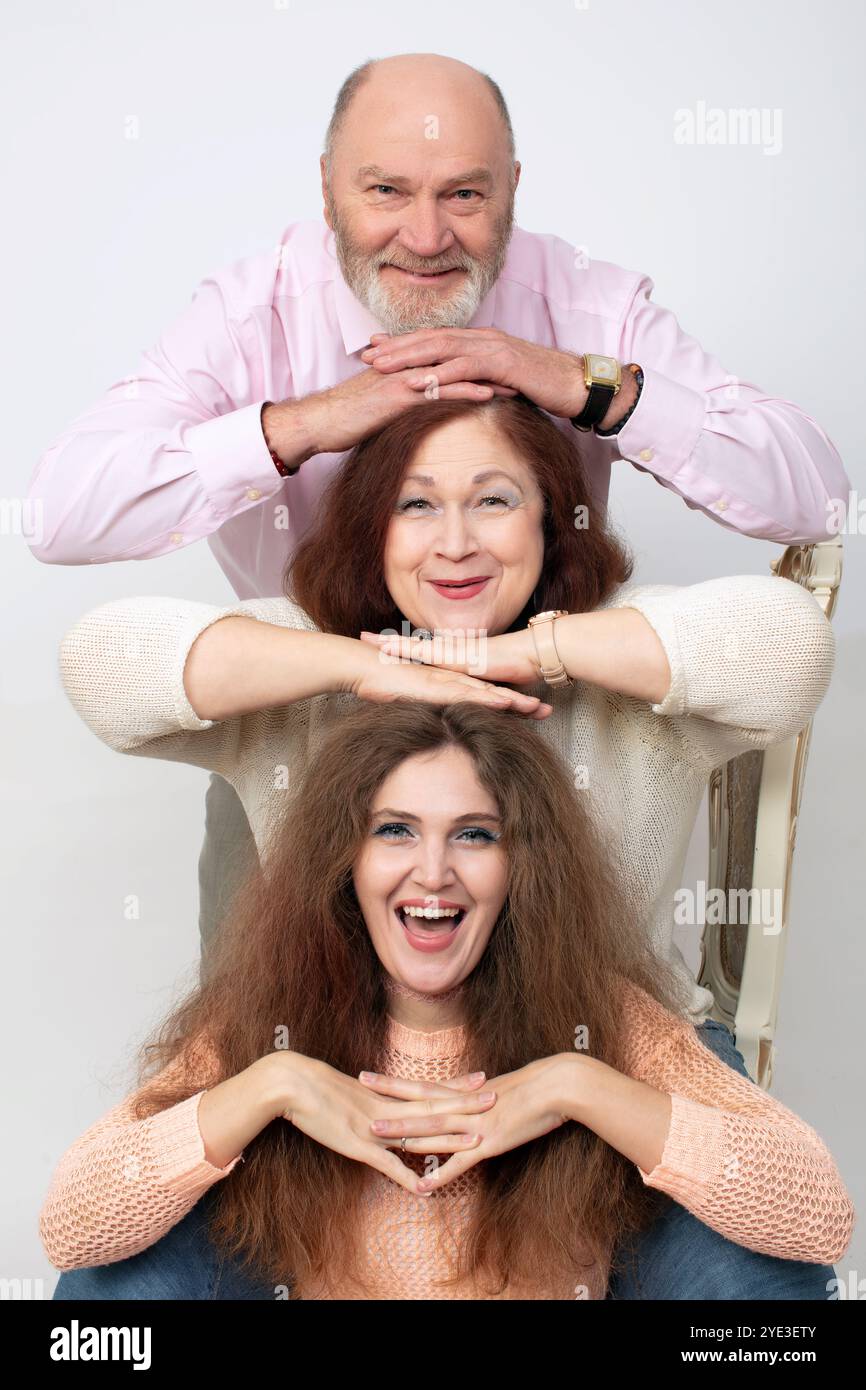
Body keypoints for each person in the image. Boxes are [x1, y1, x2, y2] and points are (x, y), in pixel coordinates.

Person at [27, 52, 851, 949]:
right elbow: (61, 514)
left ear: (513, 189)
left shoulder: (584, 300)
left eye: (464, 195)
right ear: (328, 186)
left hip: (556, 710)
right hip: (306, 710)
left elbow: (815, 497)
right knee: (259, 1013)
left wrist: (576, 381)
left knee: (564, 984)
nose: (425, 237)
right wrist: (307, 426)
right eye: (386, 191)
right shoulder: (249, 313)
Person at [59, 393, 836, 1031]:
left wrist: (516, 656)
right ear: (373, 531)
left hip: (618, 1074)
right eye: (416, 505)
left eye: (493, 500)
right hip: (346, 1091)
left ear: (550, 519)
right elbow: (100, 662)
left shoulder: (615, 645)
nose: (456, 543)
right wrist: (373, 668)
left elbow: (791, 647)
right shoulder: (303, 660)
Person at [43, 701, 854, 1300]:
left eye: (475, 834)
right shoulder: (270, 1016)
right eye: (394, 830)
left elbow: (818, 1215)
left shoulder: (600, 1014)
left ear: (518, 867)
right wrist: (275, 1084)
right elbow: (72, 1227)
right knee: (105, 1302)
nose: (433, 871)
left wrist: (577, 1085)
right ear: (346, 862)